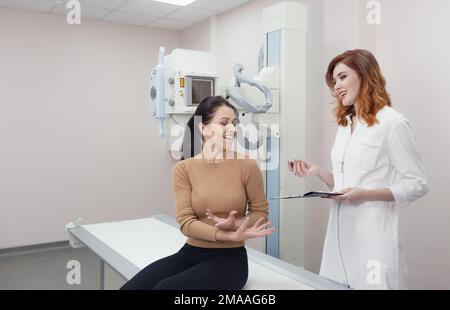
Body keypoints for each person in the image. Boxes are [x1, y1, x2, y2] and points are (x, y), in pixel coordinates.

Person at [289, 49, 429, 289]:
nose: (337, 87)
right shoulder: (345, 125)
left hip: (373, 239)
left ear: (364, 75)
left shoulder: (392, 122)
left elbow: (418, 183)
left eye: (342, 77)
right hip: (338, 238)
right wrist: (318, 172)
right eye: (334, 82)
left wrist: (365, 194)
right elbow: (345, 183)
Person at [121, 96, 275, 290]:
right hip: (191, 252)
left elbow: (260, 213)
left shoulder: (247, 166)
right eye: (224, 123)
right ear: (203, 128)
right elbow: (186, 222)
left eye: (234, 123)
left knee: (166, 289)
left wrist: (235, 223)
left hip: (230, 259)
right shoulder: (183, 169)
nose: (233, 129)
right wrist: (227, 234)